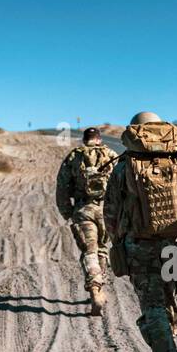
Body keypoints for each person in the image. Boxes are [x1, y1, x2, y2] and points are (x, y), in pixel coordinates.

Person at [103, 111, 177, 352]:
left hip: (140, 246)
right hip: (175, 243)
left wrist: (118, 243)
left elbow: (111, 211)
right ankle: (168, 334)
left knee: (153, 306)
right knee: (165, 296)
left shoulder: (125, 166)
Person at [55, 127, 115, 315]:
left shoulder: (74, 156)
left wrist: (68, 212)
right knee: (103, 249)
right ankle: (100, 286)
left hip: (83, 210)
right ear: (99, 139)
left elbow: (62, 188)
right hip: (107, 211)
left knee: (89, 250)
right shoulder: (111, 155)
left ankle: (95, 289)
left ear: (84, 140)